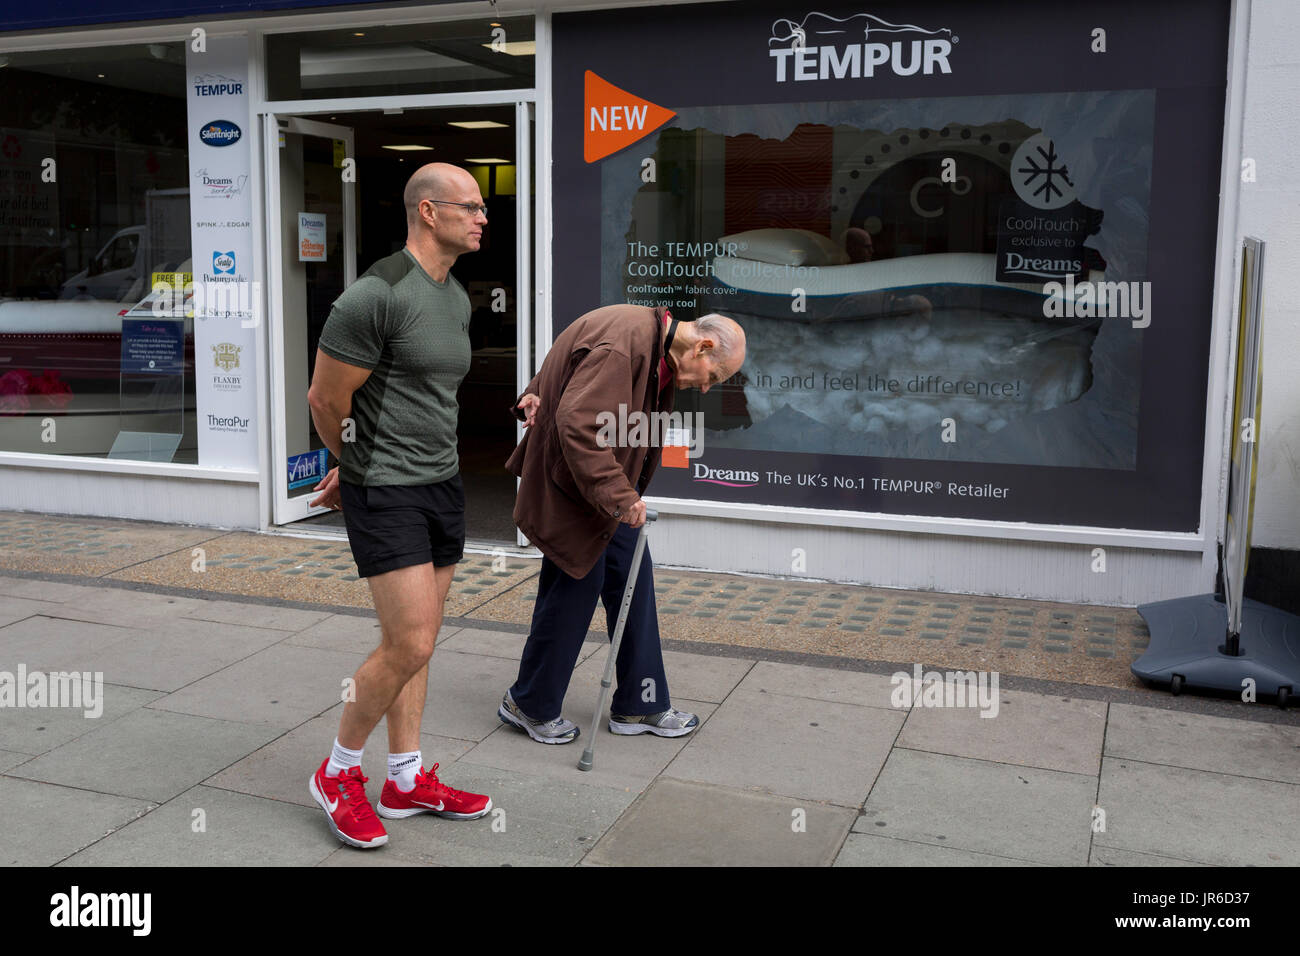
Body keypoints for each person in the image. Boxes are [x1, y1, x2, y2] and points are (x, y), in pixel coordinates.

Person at [304, 163, 492, 849]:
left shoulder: (454, 296)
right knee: (407, 640)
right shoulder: (374, 295)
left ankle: (406, 779)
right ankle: (338, 771)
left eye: (484, 209)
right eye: (471, 207)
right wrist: (351, 464)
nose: (482, 218)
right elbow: (325, 400)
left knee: (421, 644)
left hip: (441, 483)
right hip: (386, 488)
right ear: (429, 211)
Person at [499, 306, 746, 743]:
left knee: (633, 582)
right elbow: (579, 424)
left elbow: (572, 354)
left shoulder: (649, 340)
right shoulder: (625, 345)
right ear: (703, 346)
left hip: (601, 490)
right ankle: (529, 705)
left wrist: (535, 390)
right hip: (576, 490)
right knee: (575, 587)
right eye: (715, 376)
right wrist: (620, 494)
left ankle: (640, 704)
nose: (707, 389)